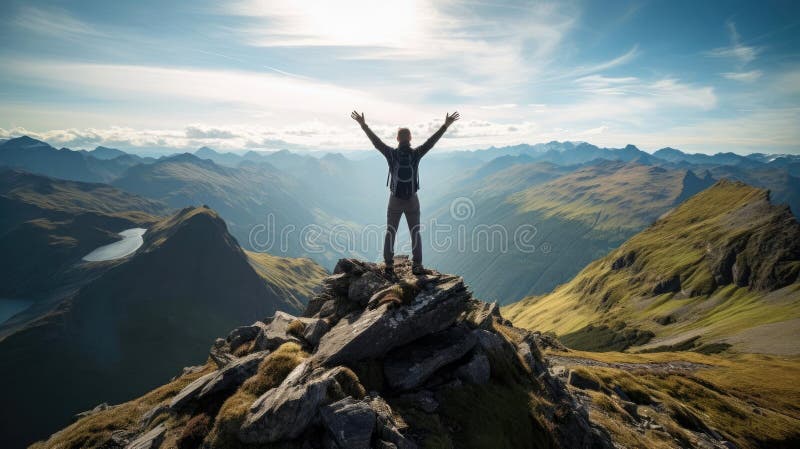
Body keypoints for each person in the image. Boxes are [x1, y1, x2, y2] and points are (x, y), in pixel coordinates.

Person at [351, 110, 460, 275]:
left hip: (394, 199)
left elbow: (376, 142)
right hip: (412, 199)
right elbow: (431, 142)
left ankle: (389, 265)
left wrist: (363, 125)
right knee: (415, 232)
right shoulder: (416, 154)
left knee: (390, 232)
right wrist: (445, 126)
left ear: (397, 139)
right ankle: (417, 265)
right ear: (410, 139)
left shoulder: (391, 154)